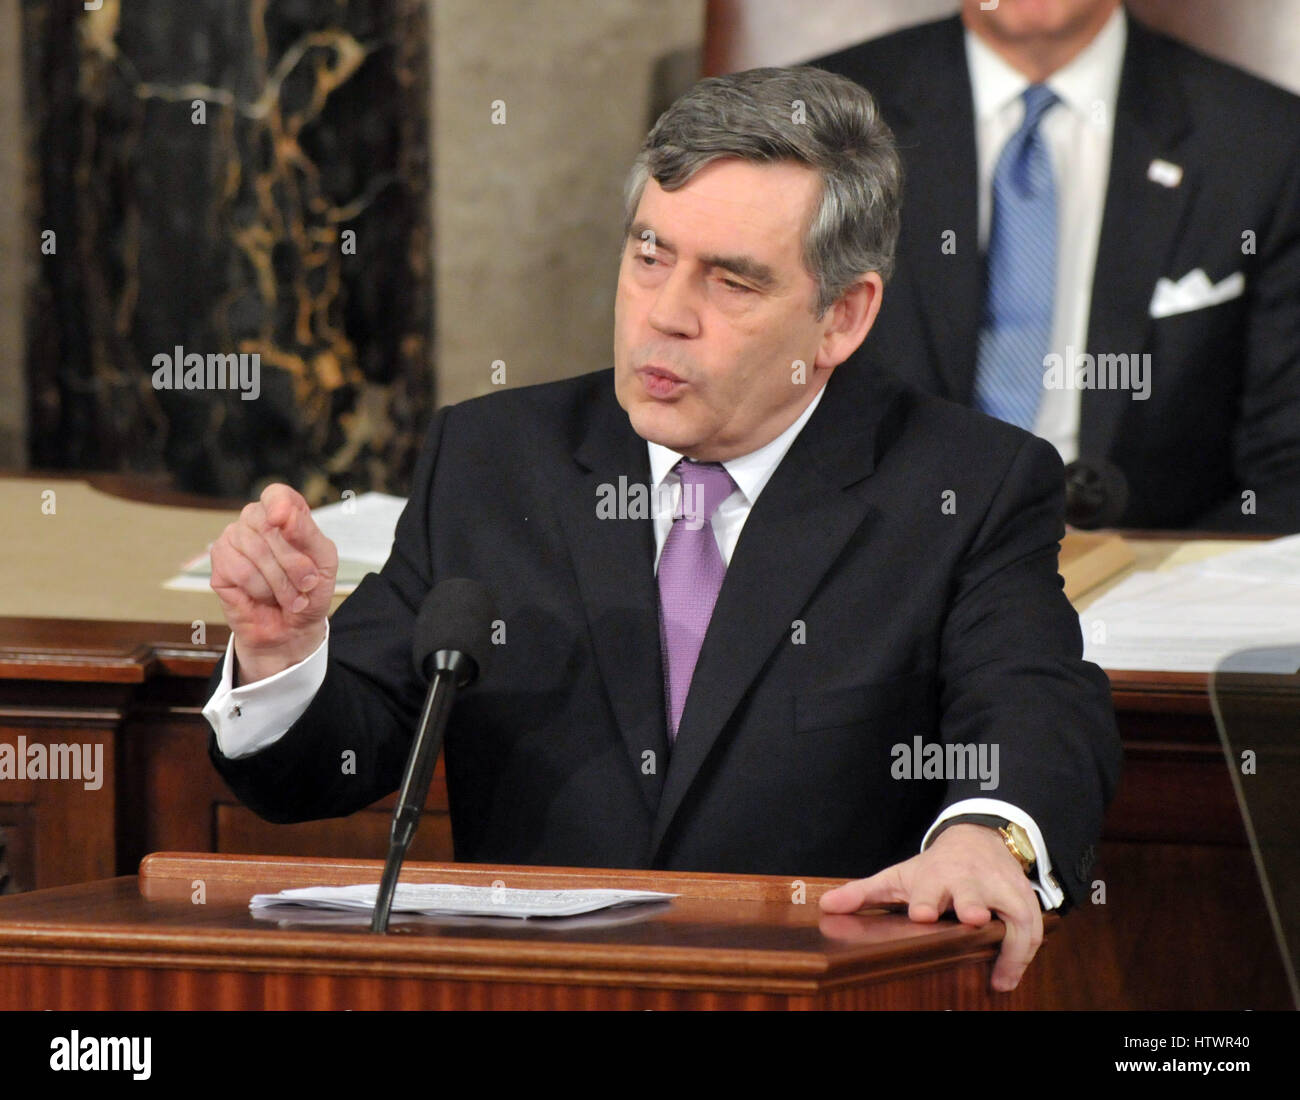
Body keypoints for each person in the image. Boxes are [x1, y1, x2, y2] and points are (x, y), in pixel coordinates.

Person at [203, 66, 1121, 993]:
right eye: (650, 254)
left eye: (731, 282)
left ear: (842, 317)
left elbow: (1033, 701)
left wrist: (983, 837)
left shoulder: (963, 485)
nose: (666, 315)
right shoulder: (493, 460)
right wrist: (283, 658)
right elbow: (326, 767)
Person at [814, 0, 1300, 531]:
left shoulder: (1266, 141)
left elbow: (1287, 465)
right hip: (873, 561)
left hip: (1149, 571)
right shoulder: (816, 124)